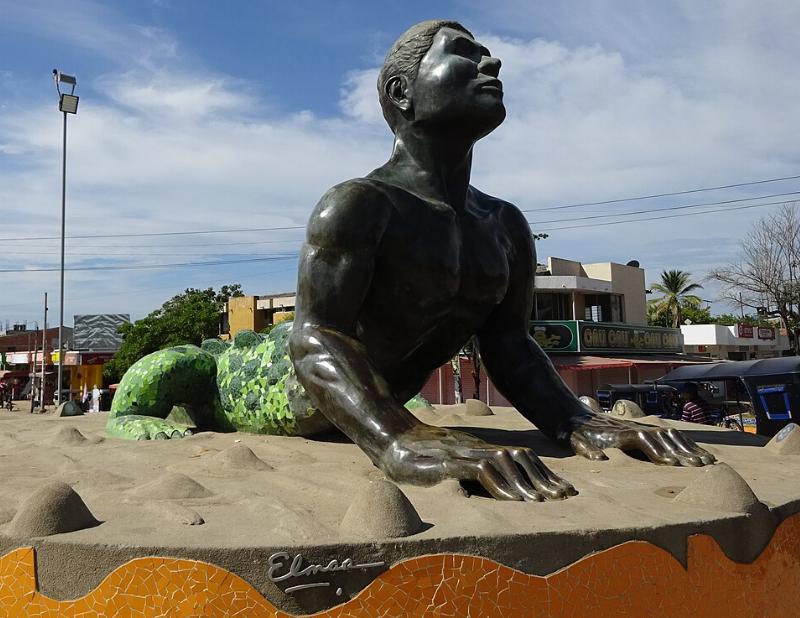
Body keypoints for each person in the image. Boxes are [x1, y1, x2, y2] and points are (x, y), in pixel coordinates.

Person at [288, 19, 715, 502]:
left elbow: (509, 345)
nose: (490, 63)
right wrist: (394, 438)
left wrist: (575, 422)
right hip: (276, 389)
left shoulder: (504, 225)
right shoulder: (357, 205)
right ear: (401, 91)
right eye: (463, 53)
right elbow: (315, 337)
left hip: (377, 401)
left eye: (486, 54)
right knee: (186, 367)